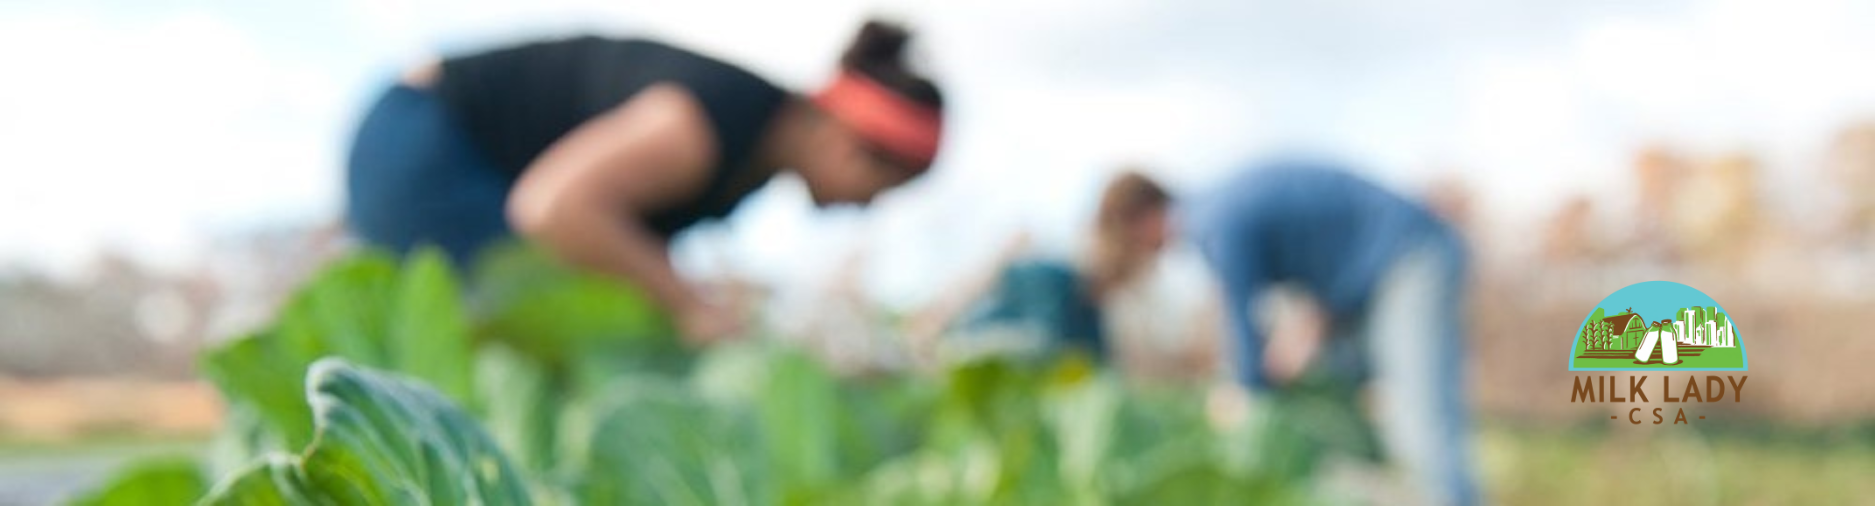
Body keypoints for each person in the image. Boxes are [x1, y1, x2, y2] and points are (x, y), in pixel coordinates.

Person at [344, 20, 944, 344]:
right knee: (493, 342)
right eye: (881, 189)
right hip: (427, 140)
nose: (866, 208)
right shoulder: (713, 119)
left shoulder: (750, 160)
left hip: (449, 151)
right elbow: (554, 209)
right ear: (844, 143)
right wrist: (688, 305)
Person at [1180, 158, 1476, 506]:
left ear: (1143, 220)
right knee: (1337, 398)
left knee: (1419, 417)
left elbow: (1241, 321)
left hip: (1408, 257)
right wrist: (1296, 341)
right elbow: (1322, 270)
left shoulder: (1210, 221)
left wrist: (1245, 392)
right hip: (1356, 290)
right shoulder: (1225, 204)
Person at [906, 171, 1173, 362]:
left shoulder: (1098, 307)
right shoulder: (1051, 274)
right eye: (1154, 244)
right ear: (1126, 227)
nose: (1157, 259)